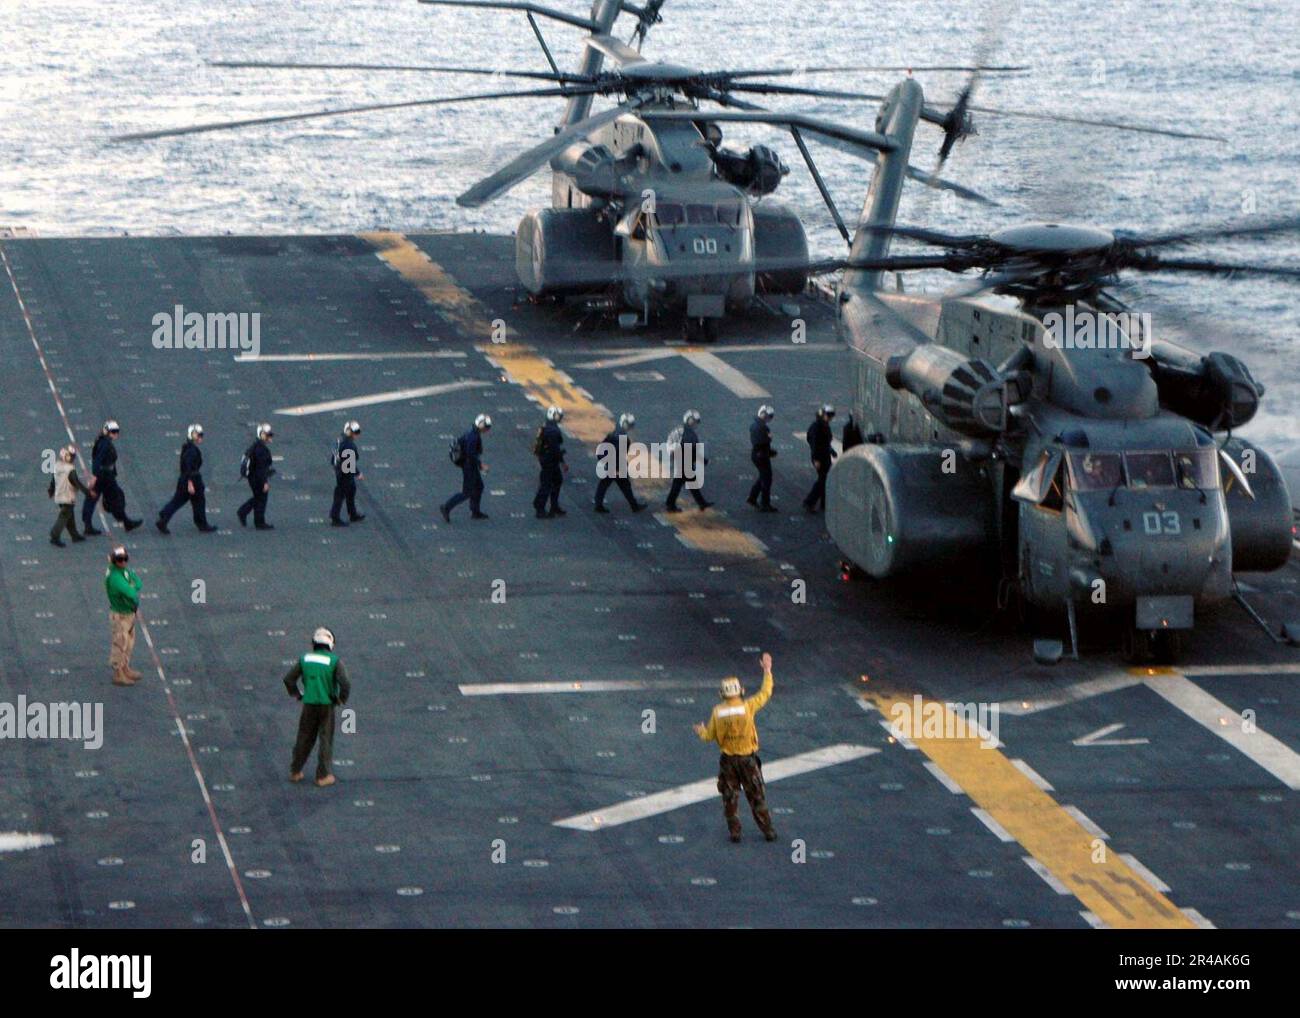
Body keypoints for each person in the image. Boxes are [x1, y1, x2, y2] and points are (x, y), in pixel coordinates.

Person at [693, 651, 778, 843]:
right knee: (756, 796)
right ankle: (768, 830)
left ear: (722, 694)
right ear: (741, 691)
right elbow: (765, 693)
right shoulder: (748, 707)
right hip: (748, 759)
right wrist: (767, 670)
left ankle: (735, 832)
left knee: (730, 798)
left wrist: (700, 730)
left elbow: (709, 737)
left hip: (729, 761)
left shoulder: (718, 711)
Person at [282, 627, 351, 788]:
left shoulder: (305, 659)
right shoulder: (334, 661)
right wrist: (341, 699)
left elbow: (289, 680)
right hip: (327, 705)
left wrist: (298, 694)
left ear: (313, 643)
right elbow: (345, 683)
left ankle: (295, 771)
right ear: (331, 644)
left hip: (309, 703)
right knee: (325, 739)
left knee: (304, 737)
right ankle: (323, 775)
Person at [82, 420, 142, 535]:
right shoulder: (105, 444)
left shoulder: (103, 441)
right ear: (107, 432)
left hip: (104, 475)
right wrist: (94, 476)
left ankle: (88, 525)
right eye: (113, 431)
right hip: (105, 477)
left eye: (117, 431)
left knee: (92, 499)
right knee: (116, 497)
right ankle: (126, 522)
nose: (116, 434)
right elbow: (97, 461)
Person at [157, 424, 217, 534]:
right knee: (199, 501)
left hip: (184, 479)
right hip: (192, 479)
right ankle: (202, 524)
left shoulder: (187, 447)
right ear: (192, 435)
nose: (200, 437)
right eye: (198, 435)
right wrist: (190, 483)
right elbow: (189, 467)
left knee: (178, 501)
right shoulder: (192, 451)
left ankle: (164, 515)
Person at [441, 414, 491, 522]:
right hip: (469, 466)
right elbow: (471, 454)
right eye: (487, 427)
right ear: (482, 426)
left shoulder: (472, 433)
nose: (488, 429)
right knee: (467, 492)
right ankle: (447, 507)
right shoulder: (474, 437)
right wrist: (481, 465)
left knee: (479, 486)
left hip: (469, 464)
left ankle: (475, 511)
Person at [104, 545, 142, 687]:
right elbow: (131, 592)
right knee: (120, 643)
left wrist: (132, 586)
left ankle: (125, 667)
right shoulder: (115, 577)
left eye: (125, 559)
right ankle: (118, 673)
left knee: (129, 642)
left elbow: (138, 582)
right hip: (120, 614)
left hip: (128, 613)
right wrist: (132, 586)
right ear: (114, 560)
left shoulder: (124, 572)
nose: (123, 562)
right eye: (120, 559)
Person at [594, 413, 647, 513]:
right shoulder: (621, 437)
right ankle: (634, 506)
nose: (630, 427)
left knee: (606, 484)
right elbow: (619, 454)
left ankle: (599, 504)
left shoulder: (615, 432)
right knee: (624, 486)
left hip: (611, 463)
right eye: (629, 425)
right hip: (616, 465)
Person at [665, 410, 713, 513]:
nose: (696, 424)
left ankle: (701, 503)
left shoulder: (680, 429)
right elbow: (692, 450)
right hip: (683, 458)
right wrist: (703, 461)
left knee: (688, 482)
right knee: (681, 483)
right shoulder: (689, 434)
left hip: (678, 455)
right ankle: (670, 504)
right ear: (689, 420)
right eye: (694, 421)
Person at [48, 445, 90, 547]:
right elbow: (76, 482)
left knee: (69, 516)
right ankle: (55, 535)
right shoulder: (70, 469)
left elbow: (53, 480)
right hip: (68, 496)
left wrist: (51, 491)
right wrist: (87, 492)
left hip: (59, 496)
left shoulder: (57, 466)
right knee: (64, 517)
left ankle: (74, 535)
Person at [532, 406, 569, 519]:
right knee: (546, 484)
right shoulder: (553, 430)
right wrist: (562, 462)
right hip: (550, 460)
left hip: (546, 458)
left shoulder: (547, 426)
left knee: (557, 481)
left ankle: (554, 505)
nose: (560, 417)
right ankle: (540, 508)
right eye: (558, 415)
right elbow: (555, 449)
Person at [237, 423, 276, 530]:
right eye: (268, 435)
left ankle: (245, 513)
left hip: (252, 477)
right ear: (262, 435)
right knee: (261, 499)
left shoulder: (255, 446)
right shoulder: (262, 450)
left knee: (258, 498)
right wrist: (265, 482)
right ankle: (258, 521)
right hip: (257, 478)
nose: (270, 437)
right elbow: (261, 469)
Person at [329, 420, 366, 527]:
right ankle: (335, 517)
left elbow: (335, 456)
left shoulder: (339, 439)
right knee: (340, 494)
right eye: (356, 432)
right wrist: (358, 473)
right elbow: (348, 465)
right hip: (344, 472)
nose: (357, 435)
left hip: (338, 468)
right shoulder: (349, 446)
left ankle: (352, 514)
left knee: (351, 491)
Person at [802, 404, 837, 513]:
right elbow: (814, 443)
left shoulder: (824, 425)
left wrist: (831, 450)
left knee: (825, 479)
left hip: (825, 456)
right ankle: (809, 502)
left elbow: (825, 442)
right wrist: (816, 458)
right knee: (823, 480)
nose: (830, 417)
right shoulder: (817, 427)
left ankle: (824, 503)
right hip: (819, 457)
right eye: (829, 415)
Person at [747, 405, 778, 512]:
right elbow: (762, 442)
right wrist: (769, 448)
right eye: (769, 416)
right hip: (762, 456)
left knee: (763, 477)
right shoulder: (763, 427)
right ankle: (765, 503)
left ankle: (752, 497)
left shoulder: (754, 425)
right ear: (764, 414)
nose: (770, 418)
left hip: (757, 454)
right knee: (767, 479)